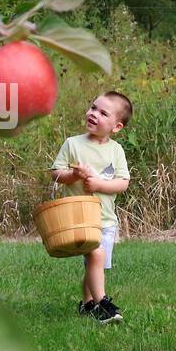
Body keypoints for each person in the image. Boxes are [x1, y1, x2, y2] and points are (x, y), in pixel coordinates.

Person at [51, 92, 132, 324]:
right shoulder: (73, 144)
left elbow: (122, 183)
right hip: (78, 217)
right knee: (95, 255)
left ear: (116, 127)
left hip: (105, 220)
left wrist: (98, 184)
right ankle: (103, 305)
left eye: (102, 113)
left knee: (95, 264)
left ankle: (86, 304)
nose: (93, 114)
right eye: (93, 107)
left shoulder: (116, 151)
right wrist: (73, 174)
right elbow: (56, 174)